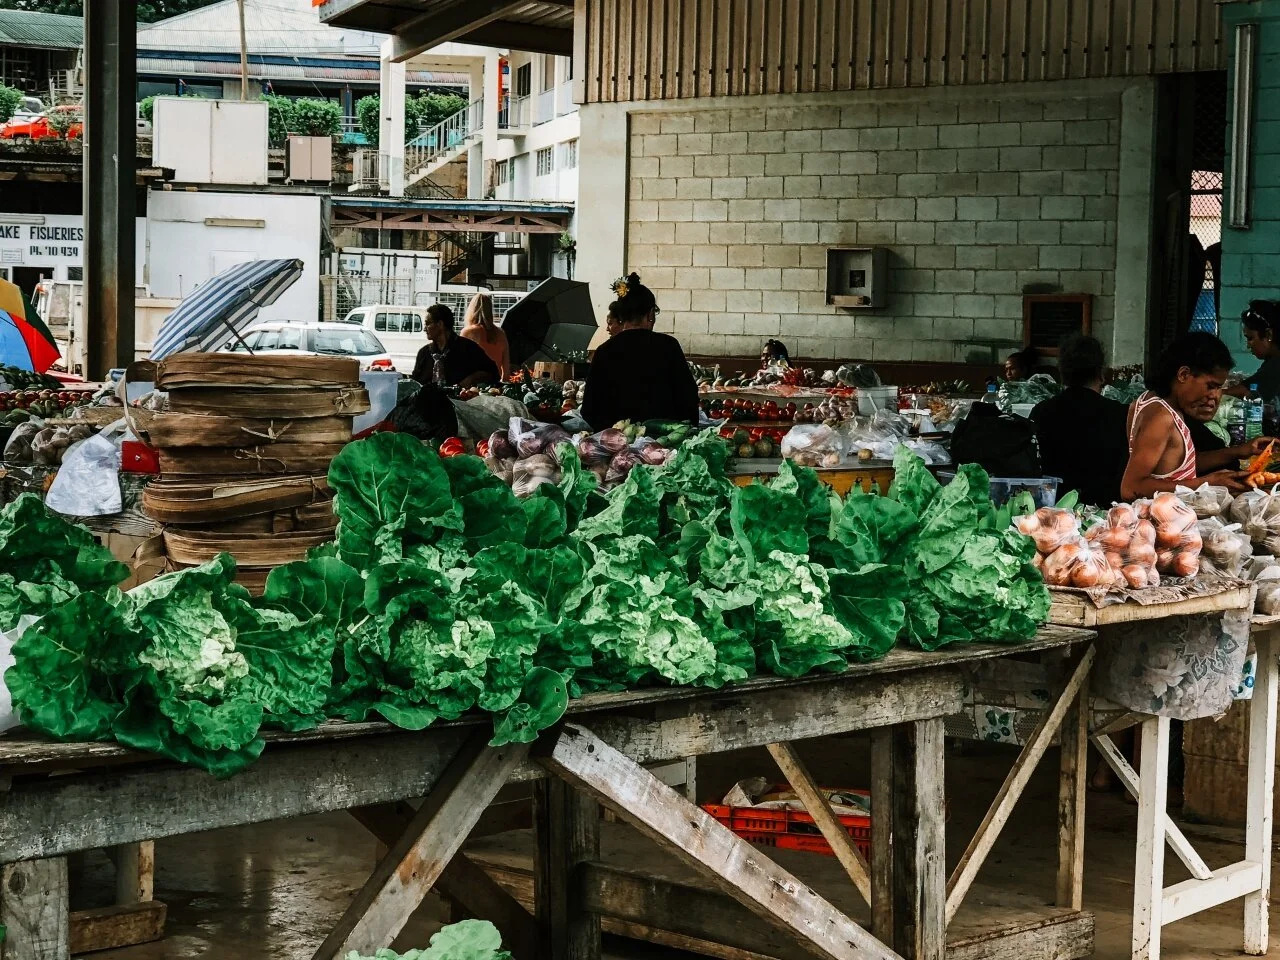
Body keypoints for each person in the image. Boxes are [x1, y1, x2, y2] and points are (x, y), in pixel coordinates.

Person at [1121, 332, 1269, 499]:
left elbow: (1176, 466)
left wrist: (1238, 451)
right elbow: (1131, 488)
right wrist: (1206, 483)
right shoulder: (1162, 417)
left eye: (1219, 388)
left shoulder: (1148, 401)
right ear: (1183, 375)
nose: (1215, 396)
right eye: (1211, 386)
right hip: (1166, 521)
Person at [581, 272, 699, 431]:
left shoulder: (604, 351)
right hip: (663, 446)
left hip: (615, 447)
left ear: (621, 316)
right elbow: (688, 398)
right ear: (650, 314)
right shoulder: (668, 346)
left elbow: (589, 408)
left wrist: (612, 435)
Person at [1031, 335, 1129, 507]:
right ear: (1101, 374)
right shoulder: (1120, 414)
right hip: (1107, 513)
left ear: (1062, 373)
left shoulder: (1041, 412)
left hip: (1052, 511)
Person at [410, 303, 499, 389]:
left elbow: (493, 372)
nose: (424, 328)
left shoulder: (468, 349)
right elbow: (414, 384)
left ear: (440, 324)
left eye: (428, 323)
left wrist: (471, 379)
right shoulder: (424, 353)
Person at [1227, 300, 1280, 403]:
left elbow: (1245, 391)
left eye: (1250, 338)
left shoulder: (1276, 364)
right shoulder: (1272, 361)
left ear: (1269, 334)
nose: (1248, 345)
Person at [459, 292, 511, 380]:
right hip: (495, 383)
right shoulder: (501, 333)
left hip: (474, 385)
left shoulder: (468, 332)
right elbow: (506, 368)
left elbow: (460, 363)